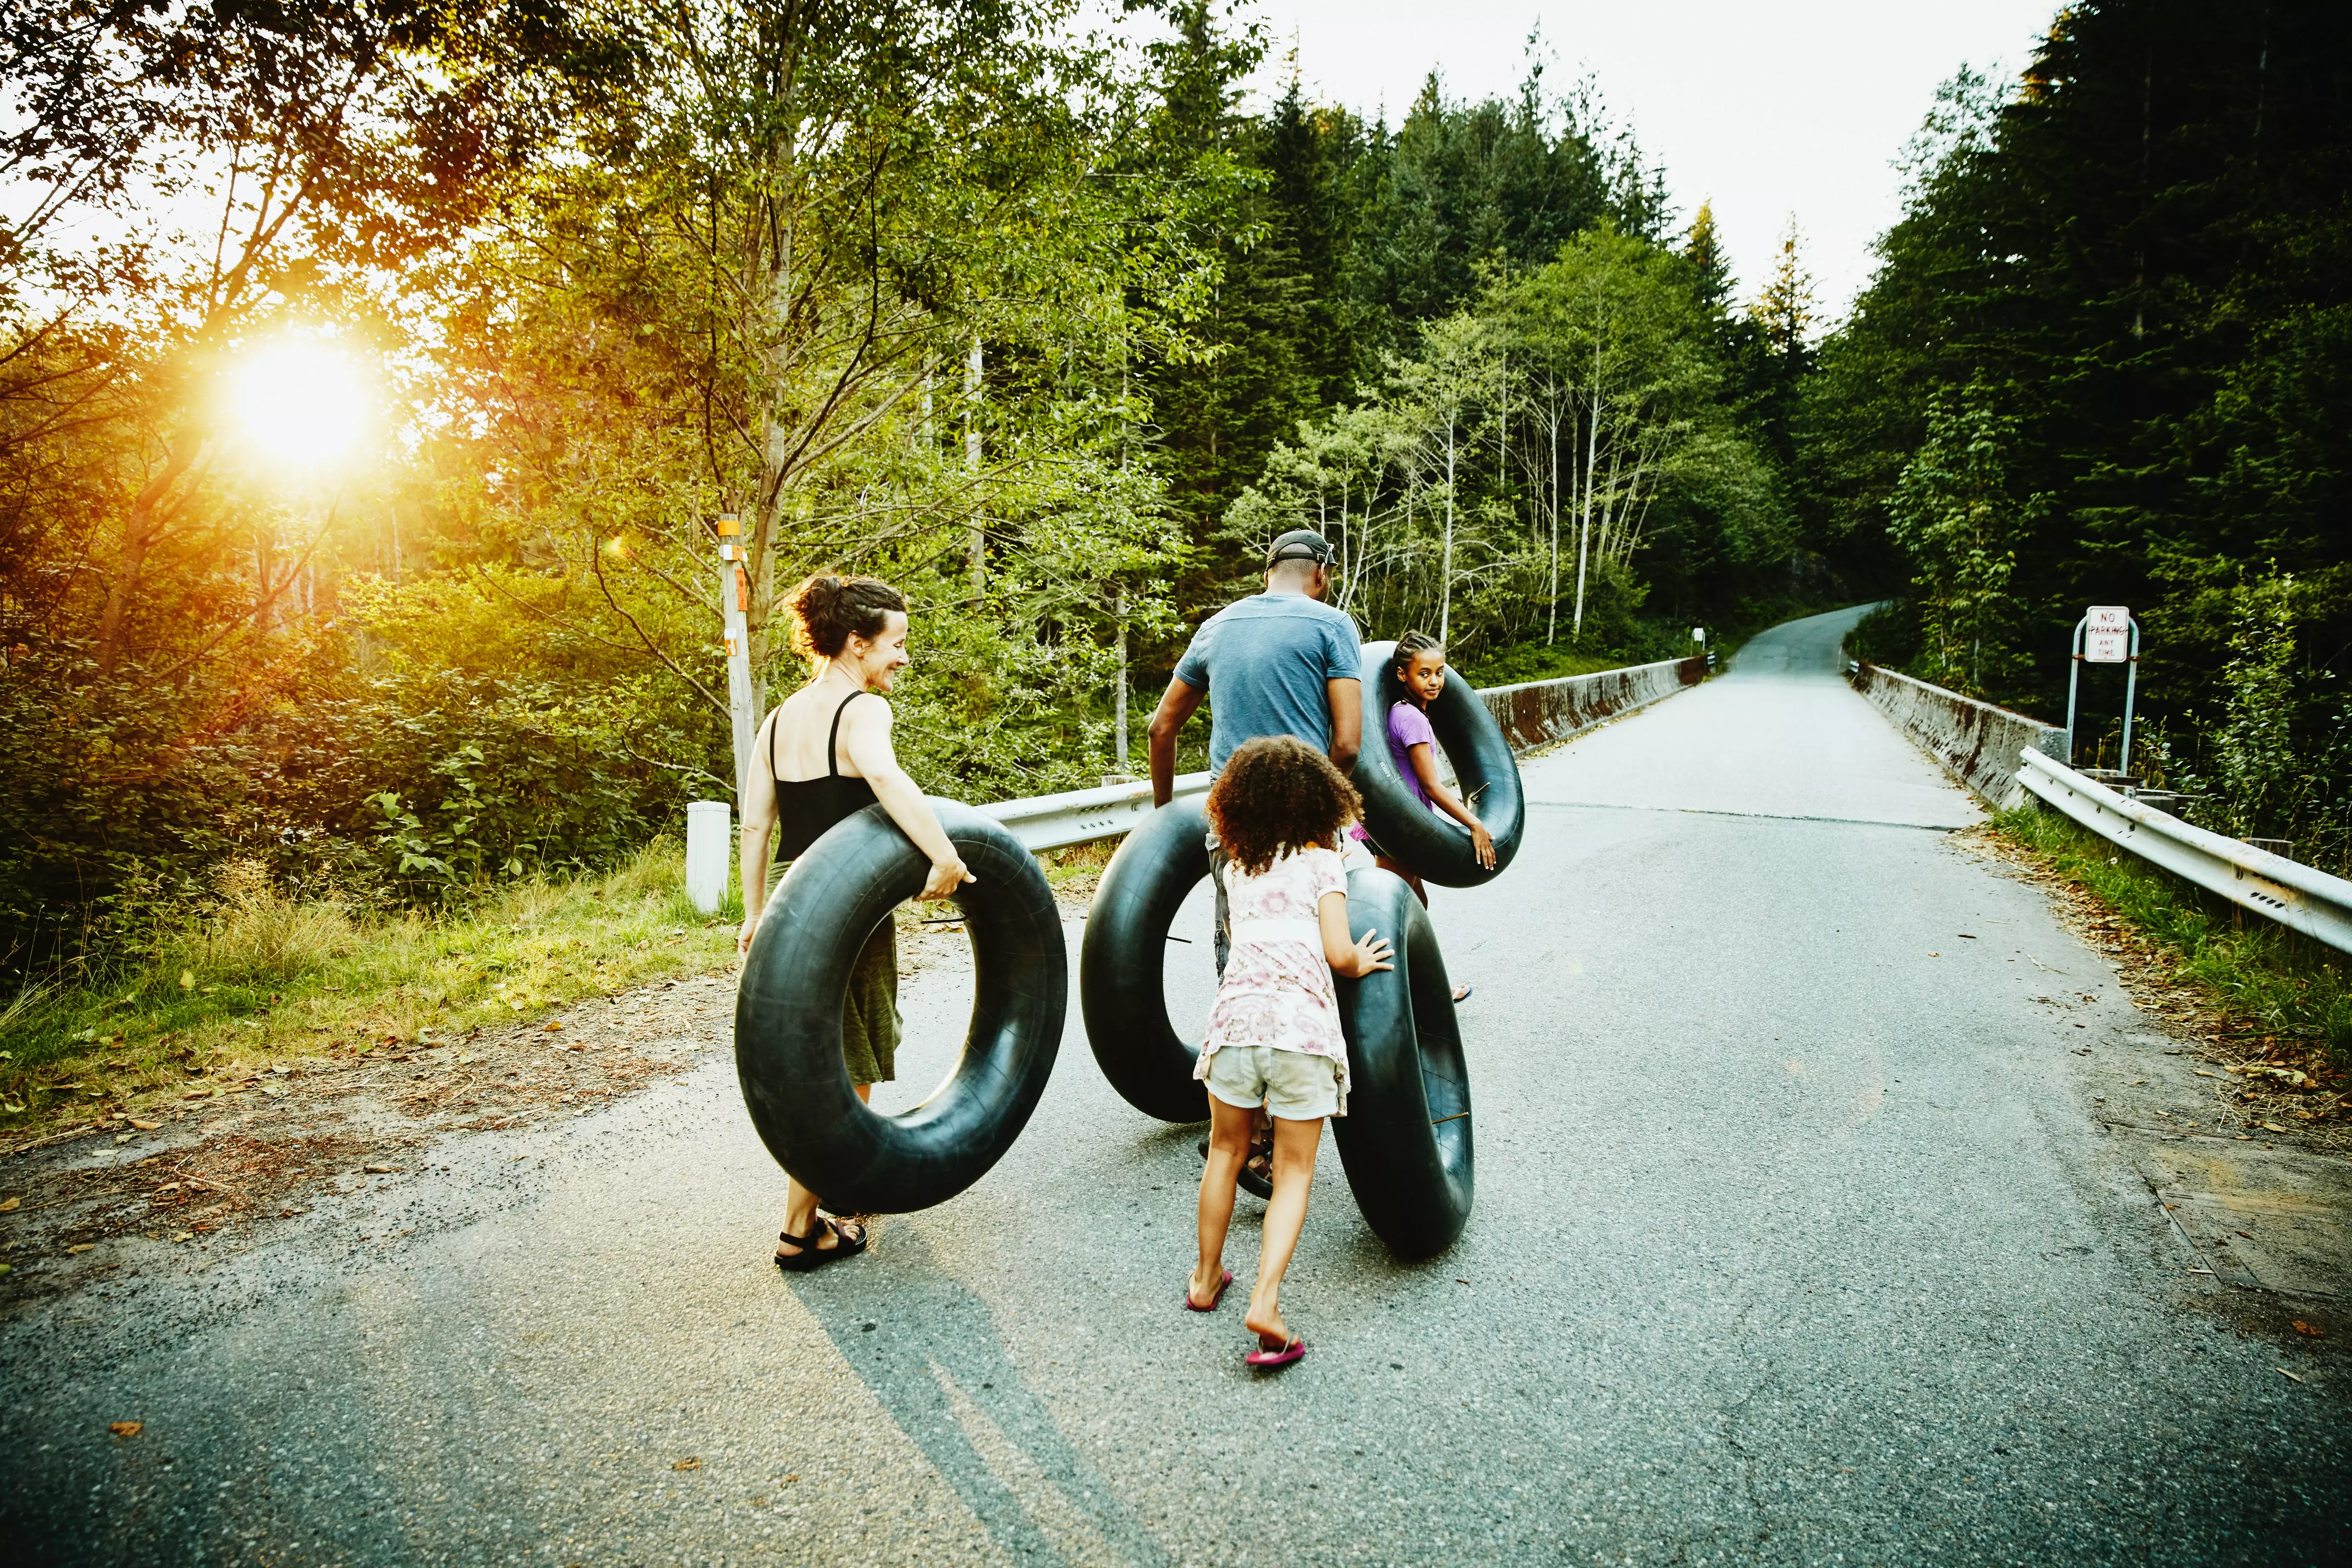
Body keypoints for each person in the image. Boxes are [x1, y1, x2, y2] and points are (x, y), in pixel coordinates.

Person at [736, 573, 975, 1273]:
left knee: (811, 1056)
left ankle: (818, 1209)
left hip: (790, 897)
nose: (902, 657)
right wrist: (945, 854)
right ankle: (805, 1223)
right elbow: (890, 781)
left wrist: (755, 914)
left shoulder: (780, 720)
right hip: (846, 904)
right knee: (850, 1062)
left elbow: (756, 823)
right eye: (895, 643)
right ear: (855, 642)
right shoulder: (862, 712)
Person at [1146, 528, 1363, 1195]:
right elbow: (1348, 743)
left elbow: (1162, 728)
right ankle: (1299, 1105)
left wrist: (1168, 819)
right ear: (1321, 572)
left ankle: (1247, 1129)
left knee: (1242, 951)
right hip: (1308, 818)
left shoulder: (1217, 626)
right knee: (1315, 946)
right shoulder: (1332, 624)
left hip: (1229, 822)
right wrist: (1329, 804)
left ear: (1268, 570)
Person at [1184, 738, 1393, 1369]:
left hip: (1236, 1024)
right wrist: (1364, 957)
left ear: (1238, 802)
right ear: (1320, 799)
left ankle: (1204, 1276)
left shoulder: (1238, 866)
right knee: (1294, 1171)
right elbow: (1337, 951)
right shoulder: (1325, 862)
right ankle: (1267, 1303)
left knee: (1225, 1151)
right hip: (1300, 1031)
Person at [1370, 630, 1492, 1003]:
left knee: (1413, 904)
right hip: (1401, 826)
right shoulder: (1414, 720)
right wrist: (1474, 823)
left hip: (1391, 823)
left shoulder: (1398, 711)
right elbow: (1433, 786)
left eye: (1440, 672)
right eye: (1425, 673)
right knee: (1393, 912)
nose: (1436, 681)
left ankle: (1417, 989)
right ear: (1403, 675)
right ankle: (1414, 994)